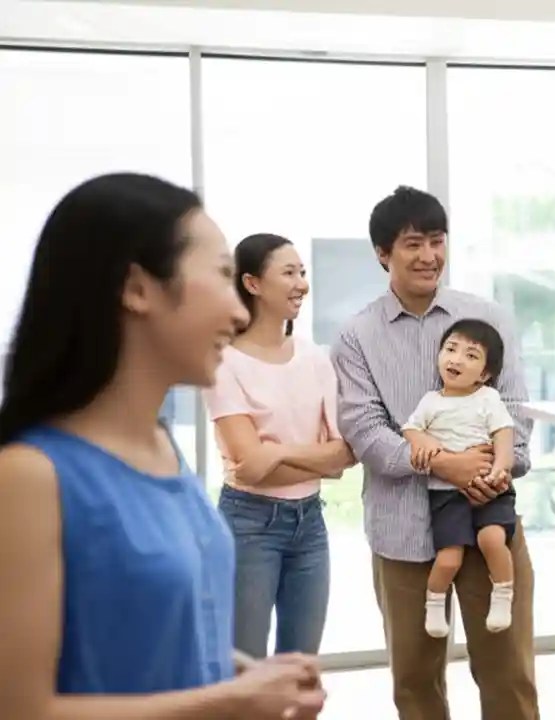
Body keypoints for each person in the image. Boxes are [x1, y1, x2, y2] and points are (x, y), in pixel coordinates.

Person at [0, 172, 326, 718]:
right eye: (222, 277)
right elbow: (22, 710)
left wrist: (248, 673)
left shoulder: (161, 447)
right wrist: (230, 699)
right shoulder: (29, 475)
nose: (239, 312)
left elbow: (155, 632)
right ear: (137, 288)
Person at [332, 185, 539, 719]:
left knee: (510, 678)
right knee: (415, 685)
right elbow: (365, 430)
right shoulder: (356, 336)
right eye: (412, 244)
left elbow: (515, 412)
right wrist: (448, 463)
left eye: (437, 241)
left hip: (488, 517)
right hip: (403, 533)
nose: (429, 256)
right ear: (383, 254)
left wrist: (492, 469)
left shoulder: (487, 318)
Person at [203, 232, 355, 659]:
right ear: (252, 284)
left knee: (301, 667)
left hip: (310, 524)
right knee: (244, 667)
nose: (302, 283)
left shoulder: (314, 357)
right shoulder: (224, 362)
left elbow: (343, 457)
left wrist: (277, 452)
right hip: (248, 524)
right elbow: (249, 467)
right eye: (289, 272)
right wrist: (310, 458)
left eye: (302, 272)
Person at [402, 318, 517, 639]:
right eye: (450, 349)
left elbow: (504, 434)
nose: (456, 359)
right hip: (446, 493)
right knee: (449, 559)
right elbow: (410, 429)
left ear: (484, 374)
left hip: (490, 487)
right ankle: (435, 604)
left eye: (471, 355)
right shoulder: (430, 402)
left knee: (492, 539)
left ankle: (503, 595)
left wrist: (502, 468)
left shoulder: (488, 399)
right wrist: (421, 441)